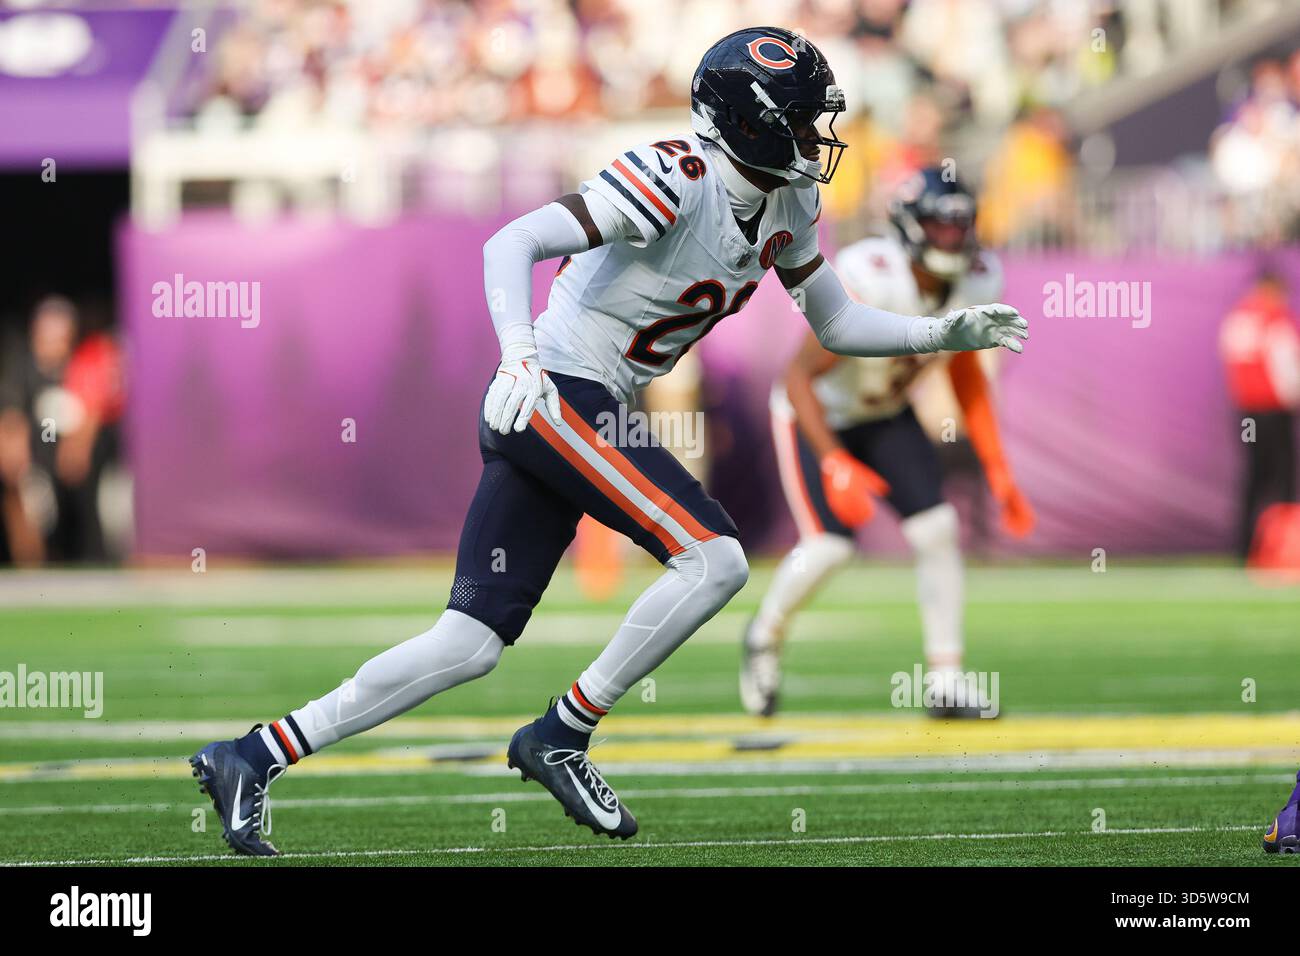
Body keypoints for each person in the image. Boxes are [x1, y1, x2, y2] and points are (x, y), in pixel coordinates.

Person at [190, 27, 1029, 855]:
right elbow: (509, 241)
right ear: (754, 122)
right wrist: (518, 354)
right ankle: (562, 732)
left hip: (593, 401)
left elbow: (838, 321)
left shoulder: (789, 199)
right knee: (715, 558)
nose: (819, 138)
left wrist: (942, 330)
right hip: (554, 388)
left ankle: (250, 756)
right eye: (804, 119)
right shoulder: (675, 176)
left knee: (469, 642)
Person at [741, 168, 1034, 718]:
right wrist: (833, 461)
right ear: (908, 227)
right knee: (831, 547)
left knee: (937, 528)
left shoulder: (978, 279)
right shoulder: (871, 277)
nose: (950, 238)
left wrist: (996, 463)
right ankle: (764, 634)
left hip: (885, 413)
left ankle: (946, 680)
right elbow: (798, 378)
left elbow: (965, 369)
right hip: (817, 411)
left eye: (958, 226)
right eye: (937, 226)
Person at [1218, 269, 1300, 558]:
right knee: (1284, 479)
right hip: (1273, 412)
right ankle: (1283, 549)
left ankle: (1246, 547)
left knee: (1254, 476)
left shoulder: (1237, 319)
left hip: (1247, 414)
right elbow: (1287, 374)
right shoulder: (1276, 320)